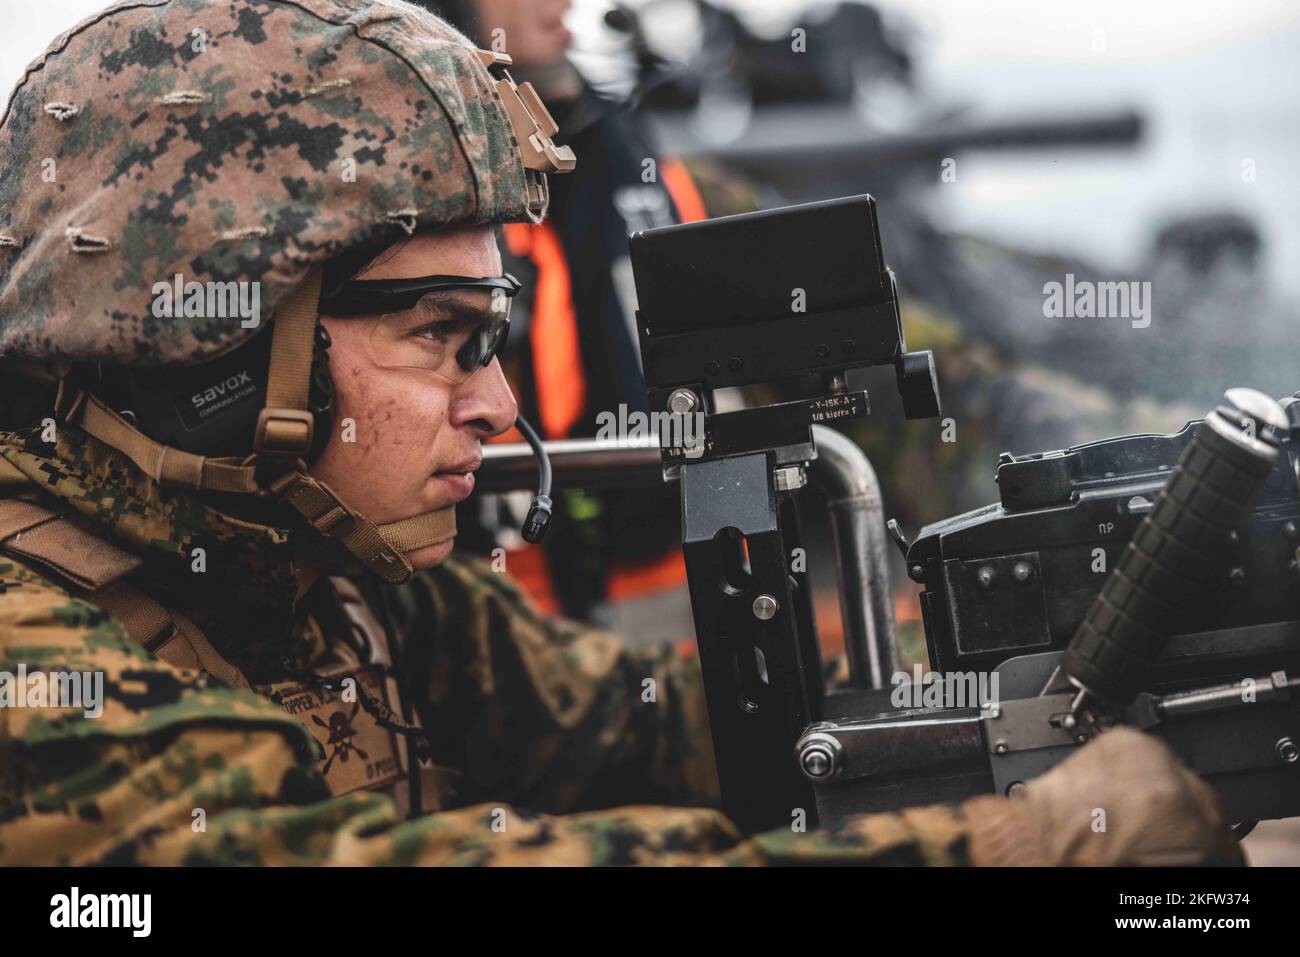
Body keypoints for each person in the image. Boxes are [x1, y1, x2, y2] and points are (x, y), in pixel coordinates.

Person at [0, 0, 1241, 866]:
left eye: (491, 338)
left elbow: (645, 723)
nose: (496, 409)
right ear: (216, 350)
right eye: (439, 336)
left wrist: (1023, 710)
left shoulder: (323, 569)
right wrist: (1018, 847)